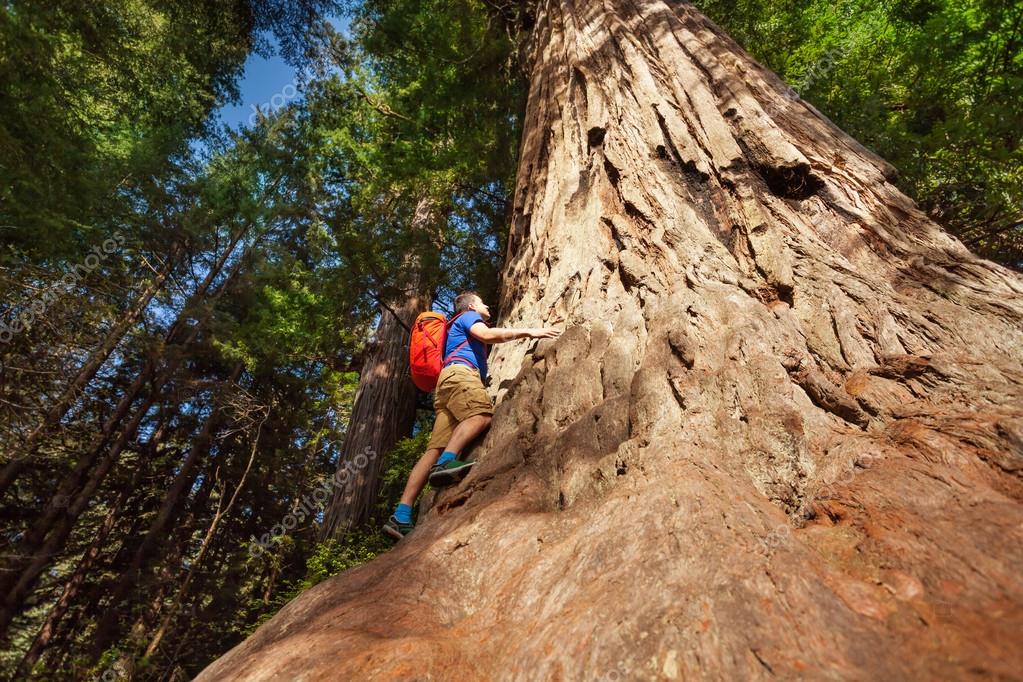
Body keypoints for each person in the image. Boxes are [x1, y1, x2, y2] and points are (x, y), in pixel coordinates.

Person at [383, 291, 561, 539]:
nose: (487, 305)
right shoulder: (468, 316)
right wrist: (530, 331)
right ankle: (447, 462)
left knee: (432, 450)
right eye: (483, 302)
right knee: (481, 416)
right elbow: (486, 335)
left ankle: (401, 515)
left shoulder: (456, 329)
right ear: (472, 306)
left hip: (446, 385)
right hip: (460, 376)